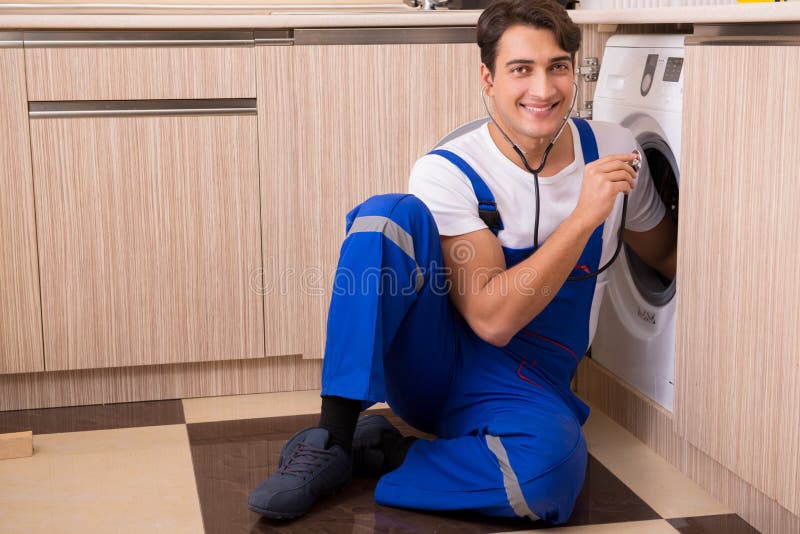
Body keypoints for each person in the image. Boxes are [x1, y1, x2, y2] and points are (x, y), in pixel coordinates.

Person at [248, 0, 677, 525]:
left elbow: (663, 254)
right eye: (521, 69)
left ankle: (384, 455)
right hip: (438, 366)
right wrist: (584, 217)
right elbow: (491, 321)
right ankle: (330, 440)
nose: (543, 89)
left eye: (558, 66)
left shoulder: (615, 147)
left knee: (550, 473)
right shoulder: (450, 168)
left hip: (532, 385)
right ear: (488, 78)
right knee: (386, 218)